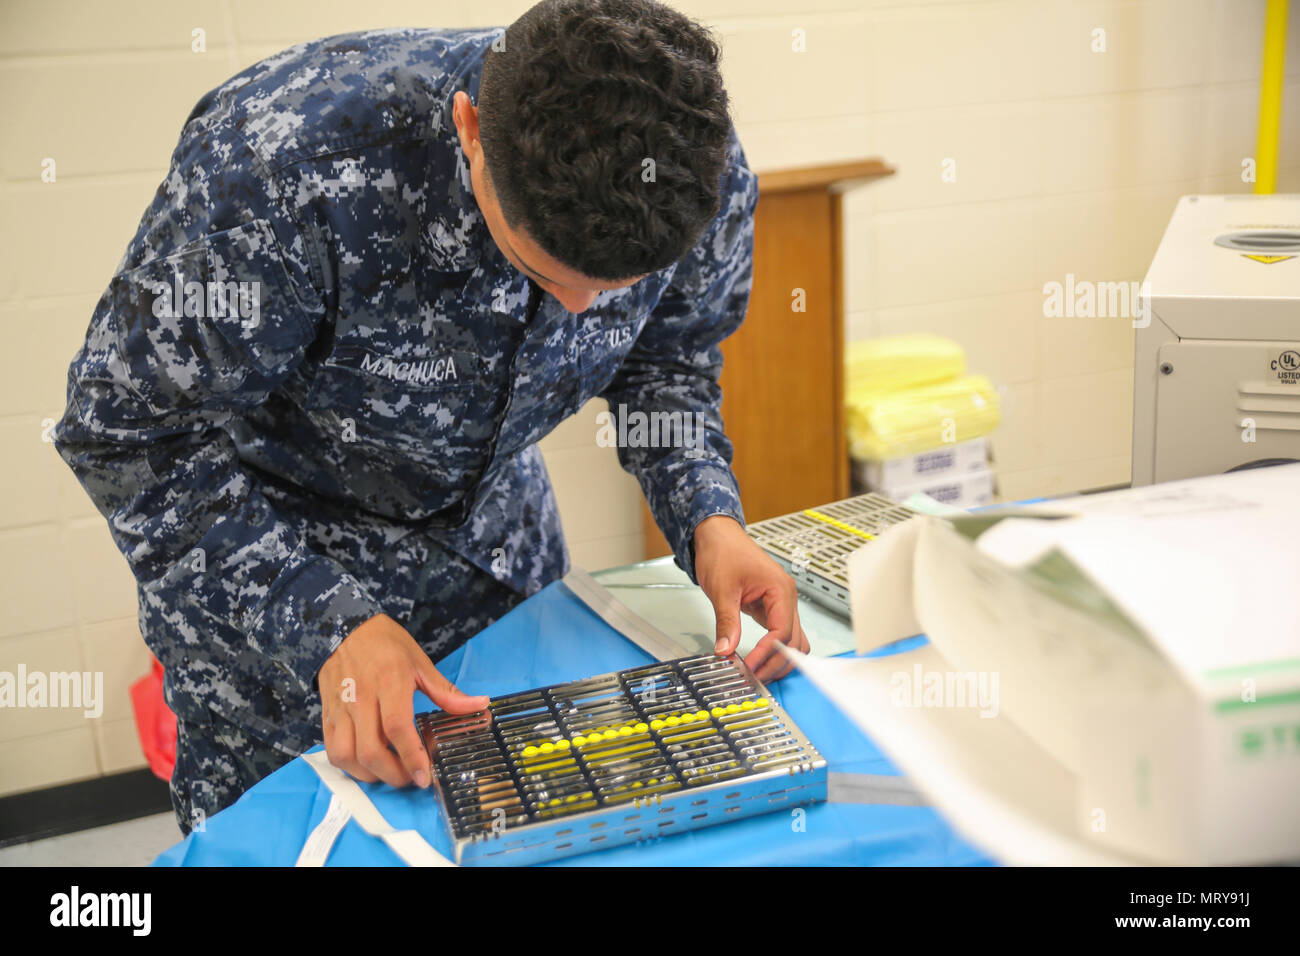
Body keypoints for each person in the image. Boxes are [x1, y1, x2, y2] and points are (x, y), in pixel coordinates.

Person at [54, 0, 808, 836]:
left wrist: (708, 515)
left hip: (503, 585)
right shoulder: (281, 167)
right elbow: (127, 435)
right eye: (542, 270)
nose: (581, 308)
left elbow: (667, 365)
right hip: (276, 609)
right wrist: (324, 622)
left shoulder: (690, 172)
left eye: (613, 292)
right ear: (471, 125)